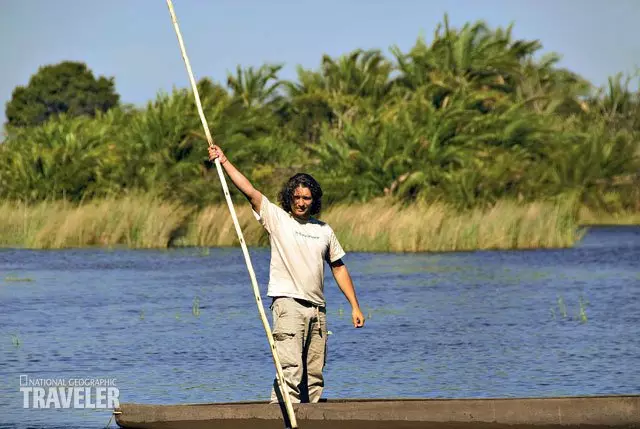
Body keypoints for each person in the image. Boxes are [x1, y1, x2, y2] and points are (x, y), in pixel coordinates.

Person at [208, 144, 365, 404]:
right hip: (288, 305)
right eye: (297, 197)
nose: (302, 202)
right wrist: (223, 161)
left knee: (314, 376)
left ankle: (310, 419)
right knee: (290, 371)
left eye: (307, 198)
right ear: (290, 198)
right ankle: (280, 416)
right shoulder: (278, 219)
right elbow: (250, 191)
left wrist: (355, 307)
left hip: (318, 310)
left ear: (314, 201)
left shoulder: (324, 230)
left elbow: (338, 267)